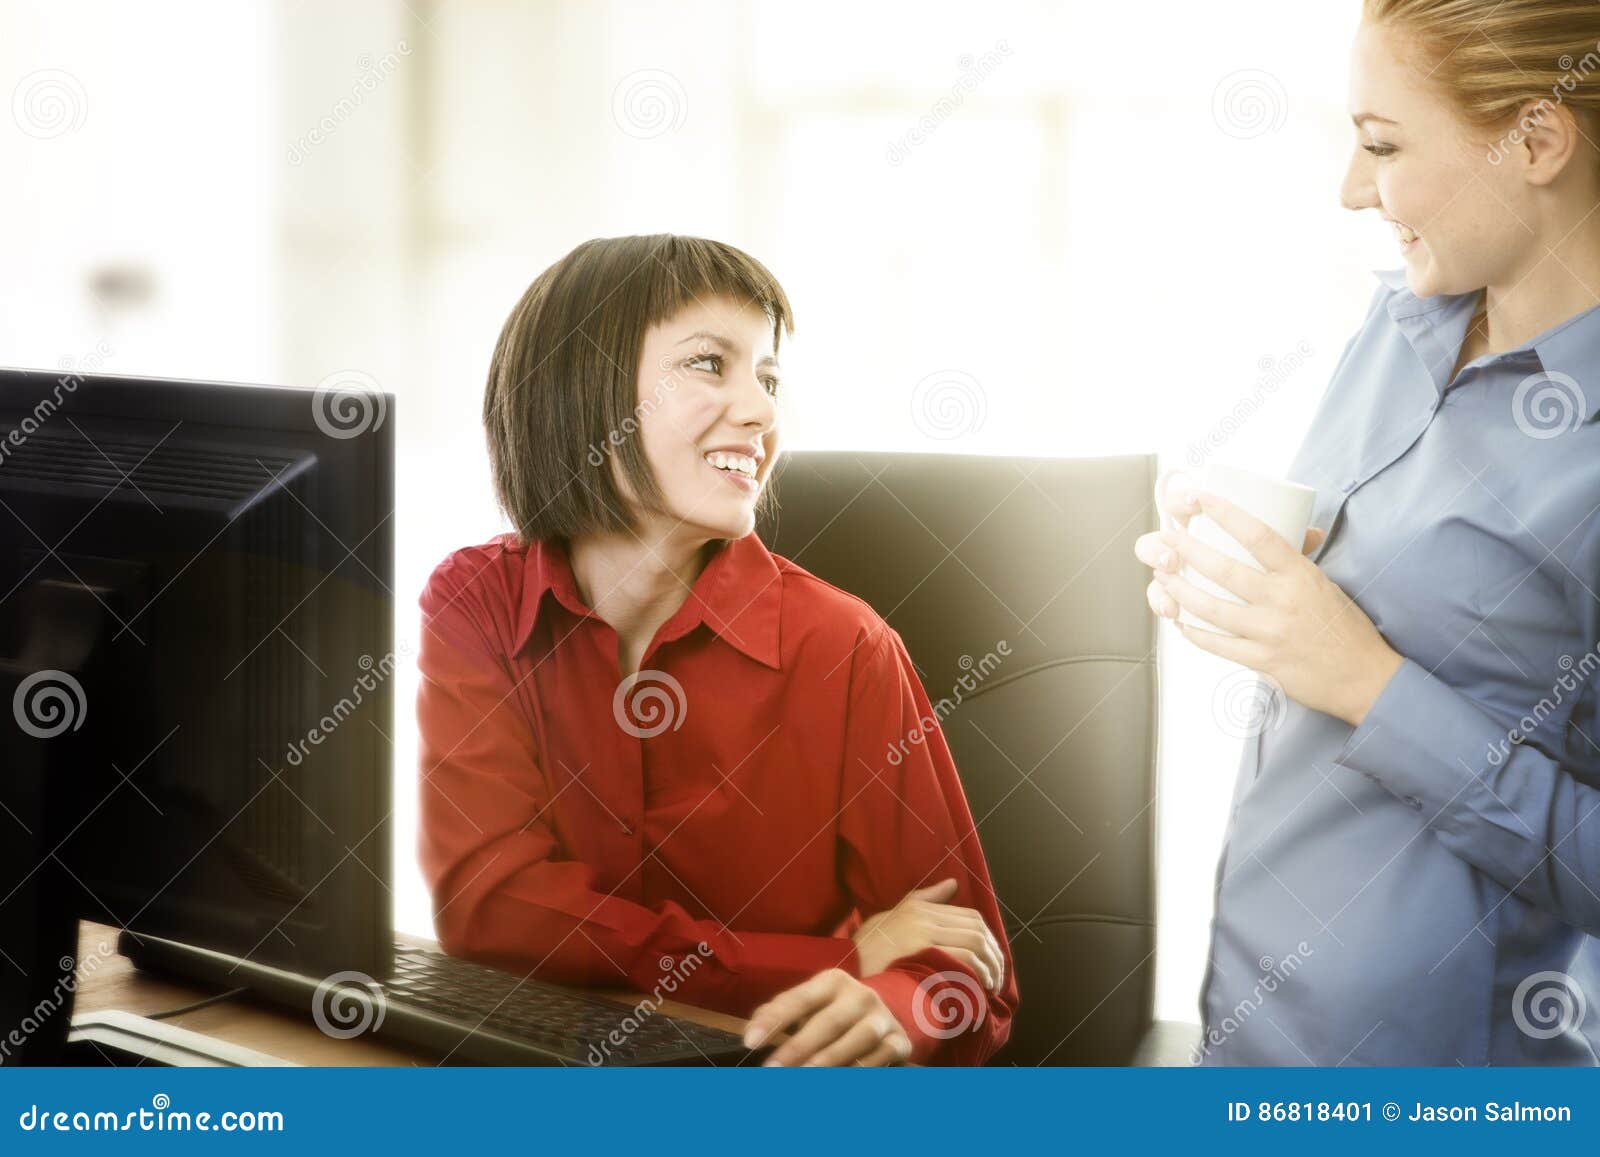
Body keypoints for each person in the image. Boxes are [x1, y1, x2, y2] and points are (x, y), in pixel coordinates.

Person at [416, 234, 1016, 1065]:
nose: (764, 413)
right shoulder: (476, 604)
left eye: (768, 379)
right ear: (580, 390)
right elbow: (492, 909)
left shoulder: (845, 647)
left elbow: (968, 972)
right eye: (709, 364)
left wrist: (888, 1006)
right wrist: (834, 957)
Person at [1139, 0, 1600, 1064]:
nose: (1351, 189)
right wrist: (1256, 590)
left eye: (1383, 146)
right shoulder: (1396, 328)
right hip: (1248, 1042)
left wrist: (1368, 684)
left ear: (1537, 139)